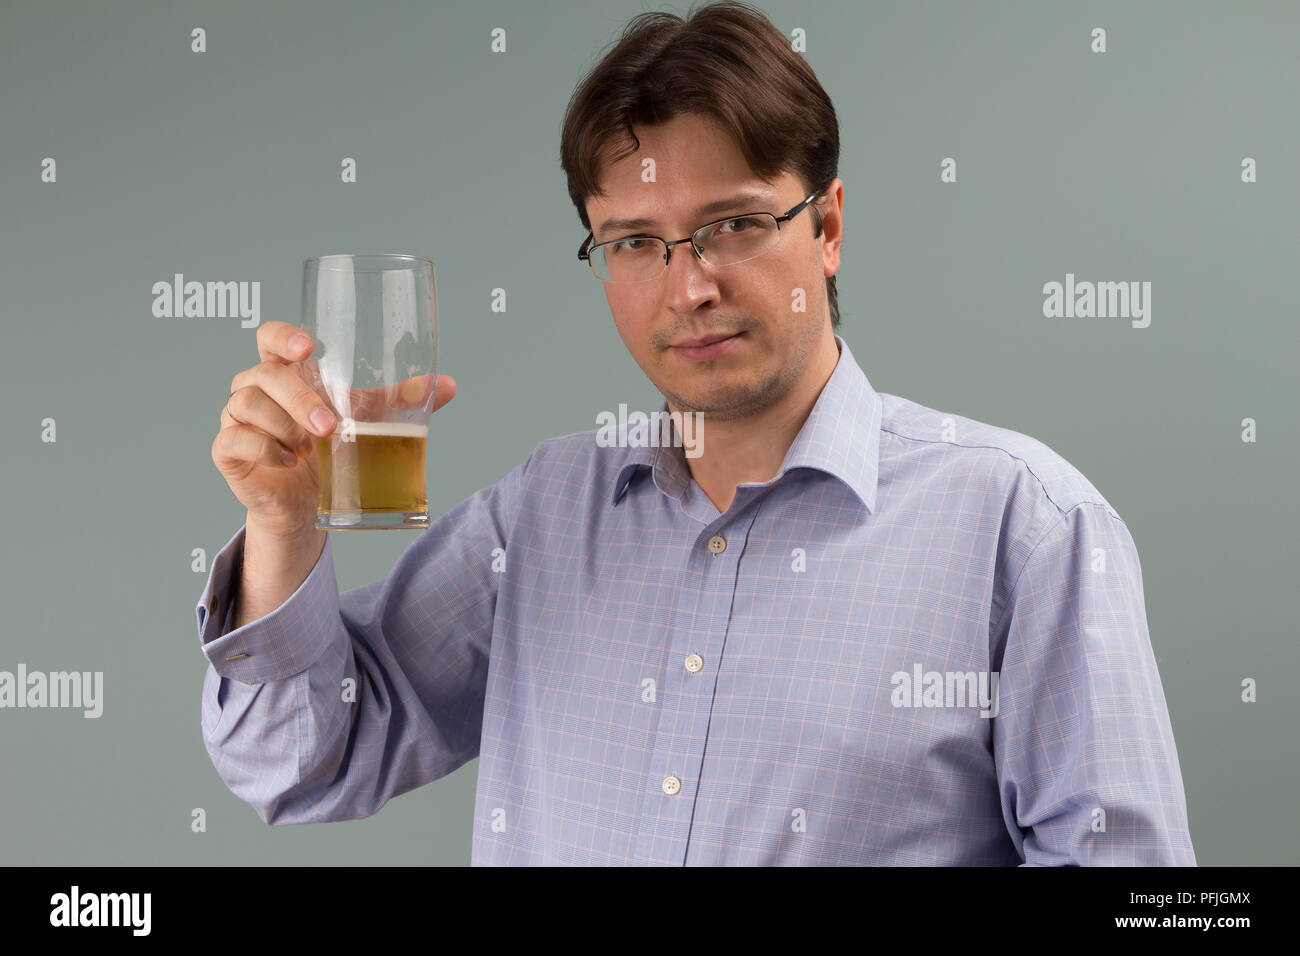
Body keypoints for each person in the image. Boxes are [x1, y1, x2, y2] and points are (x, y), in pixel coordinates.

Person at [199, 0, 1195, 865]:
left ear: (828, 224)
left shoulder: (1023, 525)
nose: (690, 285)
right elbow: (300, 760)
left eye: (734, 223)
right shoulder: (543, 513)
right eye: (636, 242)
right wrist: (287, 528)